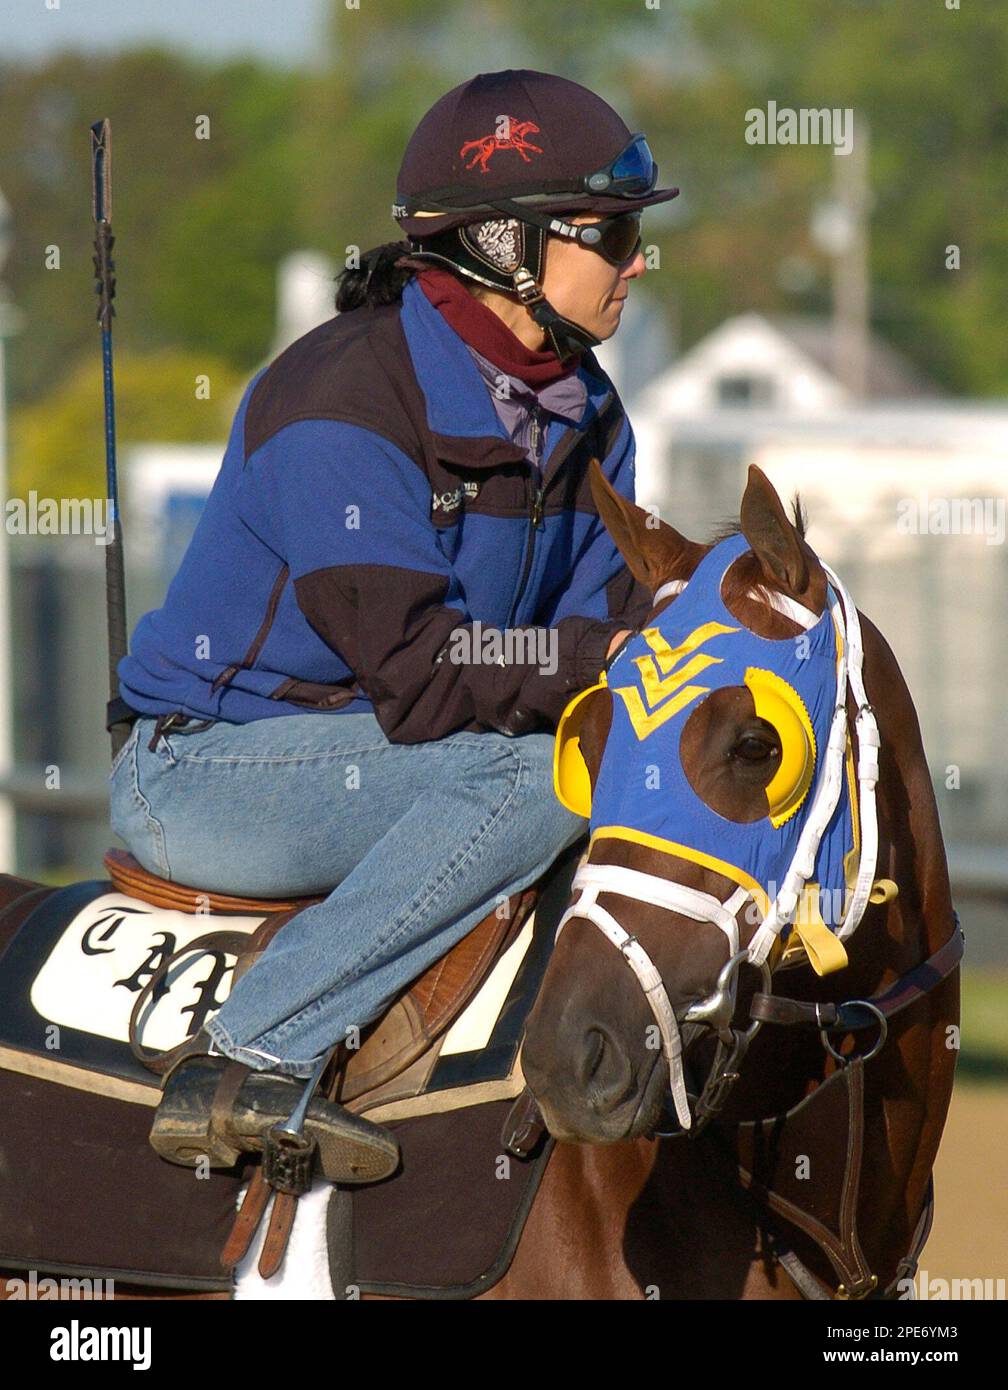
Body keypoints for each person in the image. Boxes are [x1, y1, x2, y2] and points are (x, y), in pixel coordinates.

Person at [109, 68, 679, 1178]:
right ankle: (246, 1049)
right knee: (545, 779)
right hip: (206, 771)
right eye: (610, 233)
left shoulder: (590, 410)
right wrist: (603, 661)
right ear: (509, 247)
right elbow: (425, 678)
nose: (637, 261)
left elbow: (601, 631)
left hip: (402, 755)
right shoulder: (340, 403)